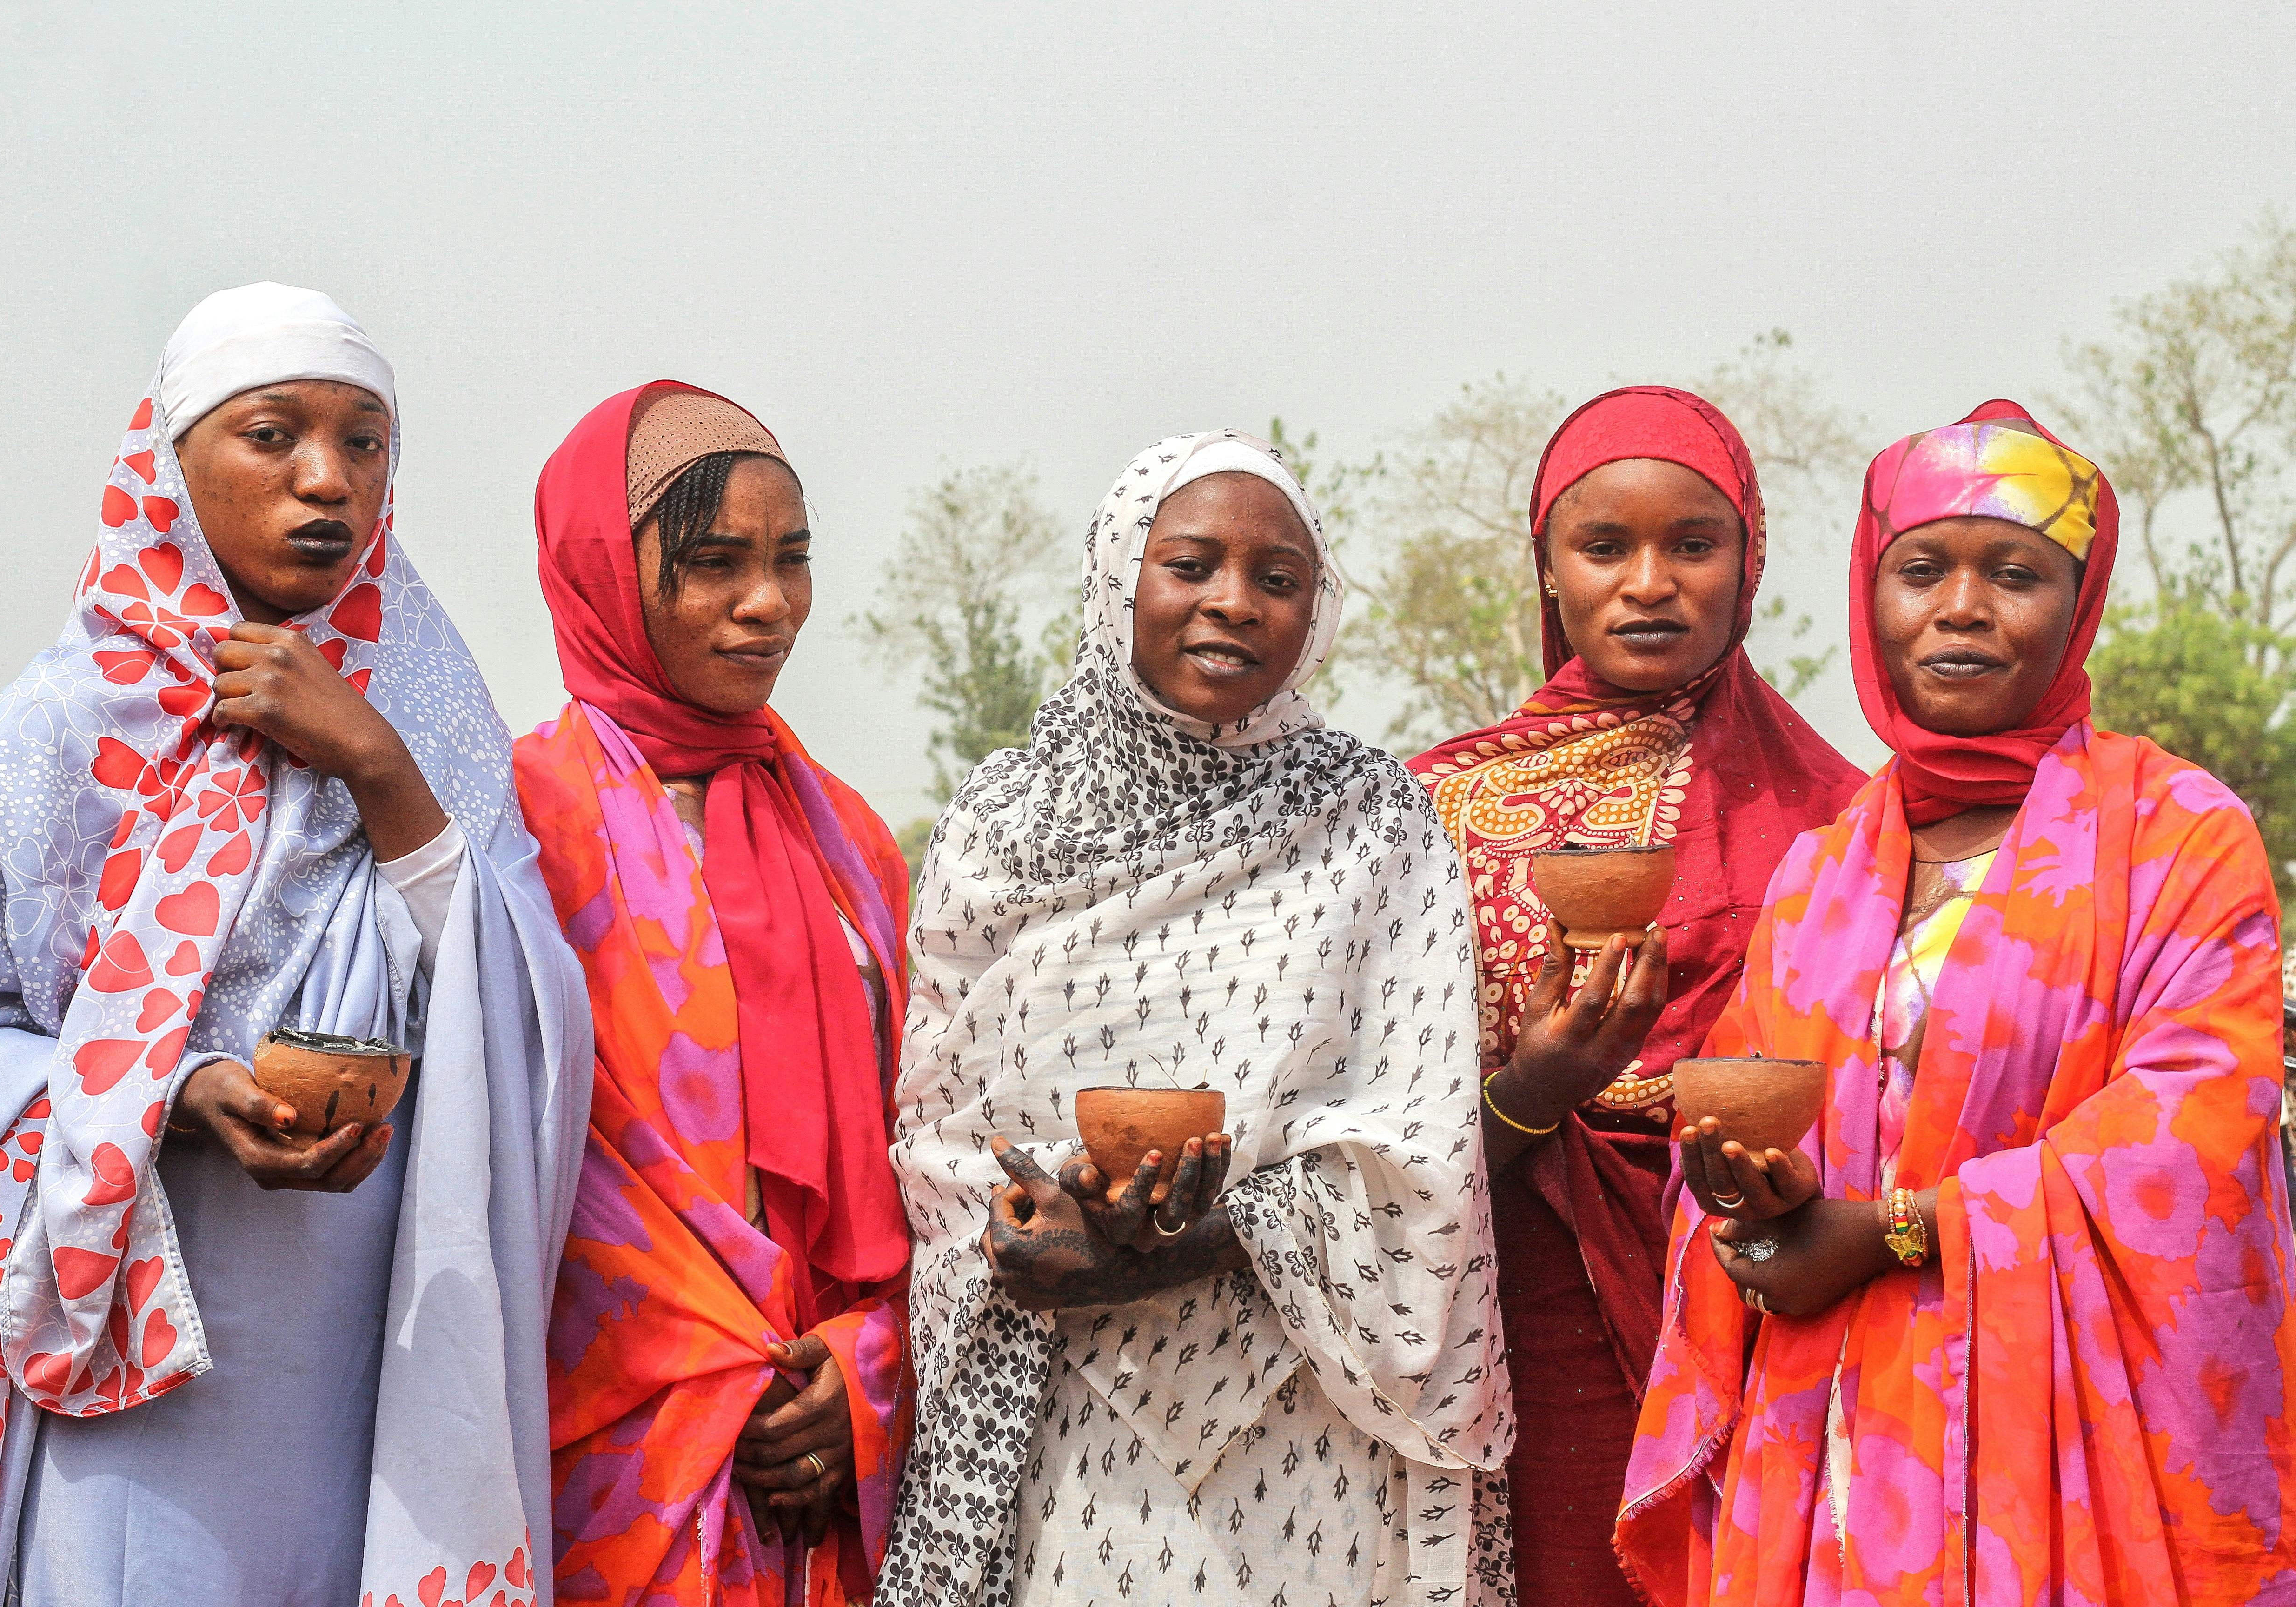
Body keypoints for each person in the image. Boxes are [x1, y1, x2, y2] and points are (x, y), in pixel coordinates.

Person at [0, 284, 592, 1607]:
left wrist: (377, 768)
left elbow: (531, 1029)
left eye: (366, 443)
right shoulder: (59, 729)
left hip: (367, 1372)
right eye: (273, 435)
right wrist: (169, 1095)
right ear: (170, 465)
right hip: (129, 1376)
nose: (329, 480)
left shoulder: (431, 717)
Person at [1615, 402, 2296, 1601]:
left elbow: (2197, 1135)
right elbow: (1735, 1117)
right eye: (1921, 569)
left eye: (2016, 573)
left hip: (2068, 1443)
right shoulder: (1823, 872)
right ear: (1871, 600)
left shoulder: (2179, 835)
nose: (1963, 608)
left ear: (2079, 605)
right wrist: (1747, 1194)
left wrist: (1894, 1231)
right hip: (1836, 1450)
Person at [879, 432, 1512, 1607]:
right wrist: (1040, 1236)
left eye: (1279, 579)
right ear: (1121, 576)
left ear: (1316, 614)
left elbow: (1420, 1146)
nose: (1235, 602)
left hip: (1308, 1402)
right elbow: (938, 1123)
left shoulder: (1377, 820)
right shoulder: (1002, 824)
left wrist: (1208, 1241)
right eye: (1192, 565)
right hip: (1062, 1405)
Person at [1407, 387, 1861, 1602]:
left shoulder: (1851, 821)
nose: (1648, 581)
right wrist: (1533, 1090)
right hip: (1525, 1303)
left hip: (1780, 1289)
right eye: (1605, 547)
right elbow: (1374, 1114)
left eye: (1692, 546)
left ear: (1747, 567)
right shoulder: (1424, 809)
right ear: (1548, 571)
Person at [517, 383, 914, 1606]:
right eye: (714, 563)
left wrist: (863, 1374)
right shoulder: (522, 820)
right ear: (602, 574)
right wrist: (726, 1375)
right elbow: (528, 1162)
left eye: (792, 560)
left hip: (836, 1443)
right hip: (621, 1442)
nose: (768, 604)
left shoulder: (851, 838)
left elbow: (925, 1141)